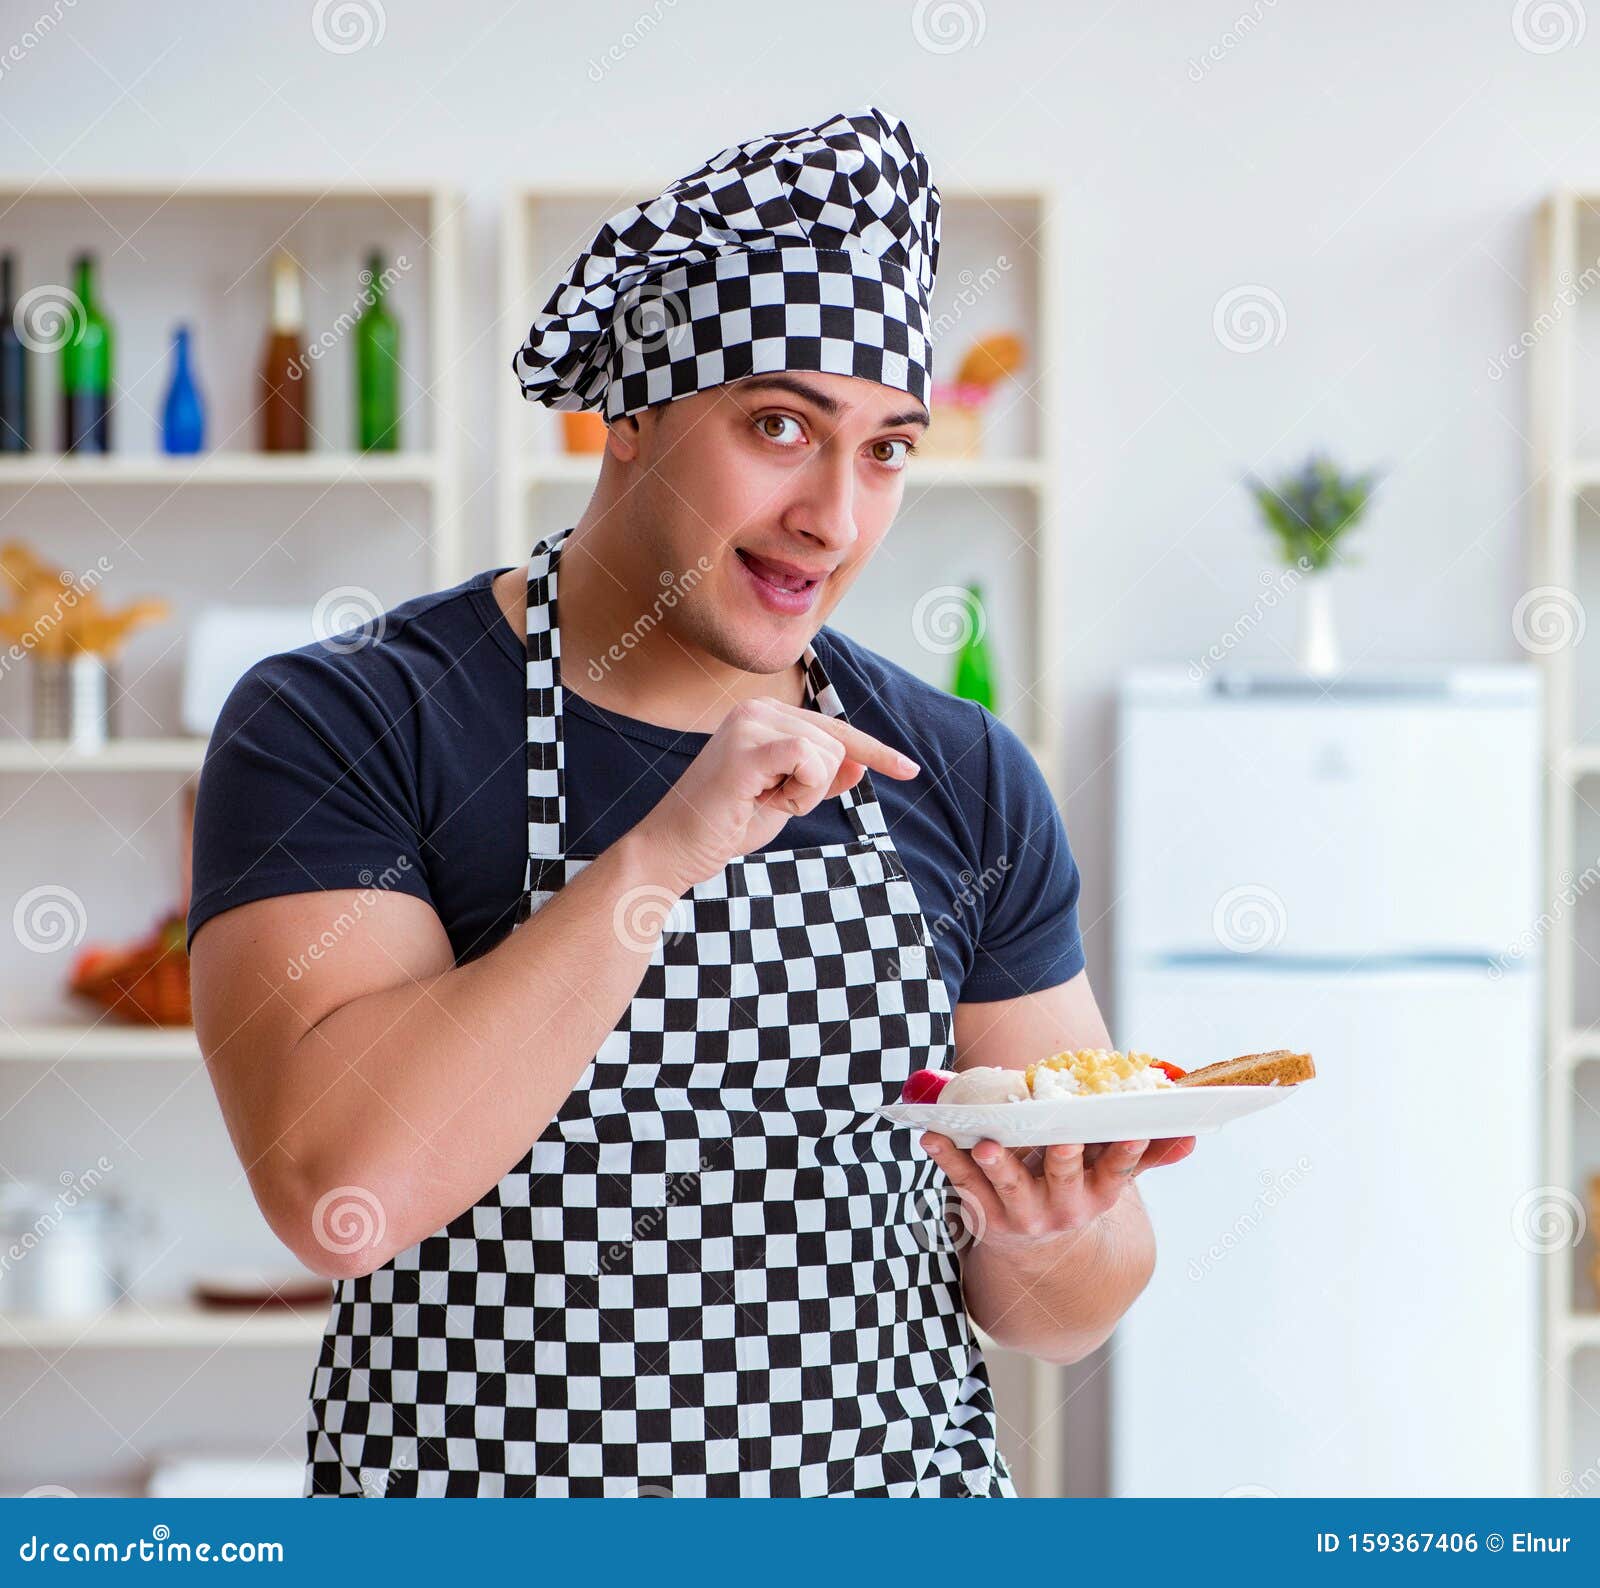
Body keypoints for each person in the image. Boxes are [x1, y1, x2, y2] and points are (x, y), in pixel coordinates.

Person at [188, 105, 1194, 1499]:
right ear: (632, 422)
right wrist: (667, 849)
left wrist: (1046, 1228)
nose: (835, 518)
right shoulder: (353, 720)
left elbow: (1071, 1311)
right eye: (780, 426)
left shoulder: (956, 771)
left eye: (888, 449)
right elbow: (335, 1193)